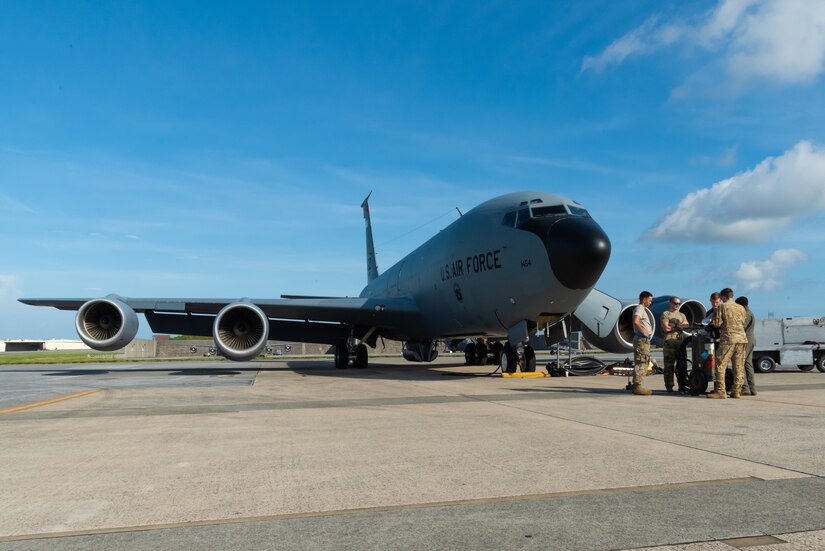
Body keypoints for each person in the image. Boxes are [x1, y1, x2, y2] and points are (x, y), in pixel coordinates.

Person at [708, 288, 747, 399]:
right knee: (738, 366)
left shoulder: (723, 307)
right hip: (741, 339)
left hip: (729, 339)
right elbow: (743, 322)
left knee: (720, 364)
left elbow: (717, 323)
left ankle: (721, 391)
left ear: (723, 297)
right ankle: (736, 391)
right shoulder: (741, 308)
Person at [661, 296, 688, 393]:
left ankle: (682, 385)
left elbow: (686, 325)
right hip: (669, 343)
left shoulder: (682, 315)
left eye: (679, 304)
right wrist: (679, 327)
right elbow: (666, 328)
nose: (677, 305)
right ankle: (669, 386)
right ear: (670, 303)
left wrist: (675, 326)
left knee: (682, 366)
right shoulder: (666, 314)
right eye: (675, 303)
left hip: (680, 343)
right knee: (669, 366)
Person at [632, 291, 654, 396]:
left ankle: (637, 385)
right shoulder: (640, 308)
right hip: (642, 339)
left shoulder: (642, 309)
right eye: (649, 300)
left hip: (643, 340)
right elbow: (636, 321)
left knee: (641, 361)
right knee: (642, 362)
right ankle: (638, 386)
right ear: (644, 299)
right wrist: (643, 331)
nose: (650, 303)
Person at [735, 296, 757, 396]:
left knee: (741, 363)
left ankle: (745, 387)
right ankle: (752, 388)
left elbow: (741, 327)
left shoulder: (746, 314)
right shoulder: (749, 312)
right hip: (750, 340)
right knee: (748, 364)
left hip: (746, 341)